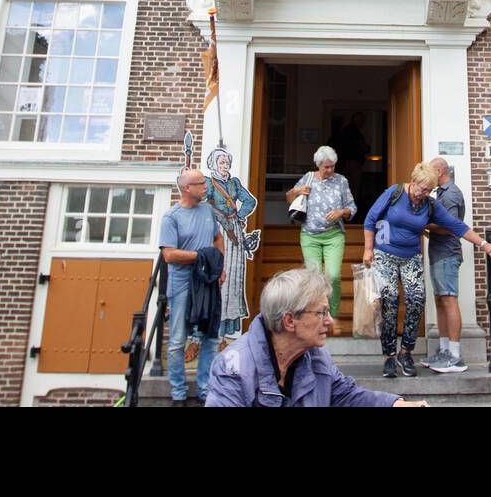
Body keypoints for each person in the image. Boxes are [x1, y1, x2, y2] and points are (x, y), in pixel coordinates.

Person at [206, 268, 427, 407]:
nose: (330, 321)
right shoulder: (234, 367)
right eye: (321, 313)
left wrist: (395, 404)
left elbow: (345, 396)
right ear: (290, 321)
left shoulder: (316, 357)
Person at [362, 161, 491, 378]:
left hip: (411, 258)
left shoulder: (430, 205)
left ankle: (405, 353)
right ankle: (388, 356)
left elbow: (457, 226)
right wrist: (368, 250)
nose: (423, 194)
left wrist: (483, 244)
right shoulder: (394, 193)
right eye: (421, 189)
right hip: (384, 254)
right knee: (389, 300)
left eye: (428, 190)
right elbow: (370, 219)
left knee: (417, 300)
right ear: (413, 181)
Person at [159, 168, 225, 406]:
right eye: (201, 183)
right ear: (188, 188)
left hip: (207, 283)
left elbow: (218, 238)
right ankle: (178, 392)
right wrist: (201, 257)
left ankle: (205, 389)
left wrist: (220, 266)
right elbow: (169, 255)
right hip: (182, 284)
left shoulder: (208, 210)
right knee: (177, 340)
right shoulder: (172, 217)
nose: (206, 186)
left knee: (210, 337)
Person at [286, 145, 356, 328]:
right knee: (314, 279)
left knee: (332, 276)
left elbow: (352, 207)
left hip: (334, 236)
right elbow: (288, 198)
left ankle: (333, 315)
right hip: (310, 236)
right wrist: (297, 192)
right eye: (326, 167)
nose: (330, 170)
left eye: (332, 166)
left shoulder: (341, 181)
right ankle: (317, 316)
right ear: (318, 165)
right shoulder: (308, 178)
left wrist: (341, 212)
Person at [204, 147, 259, 337]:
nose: (225, 166)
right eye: (221, 162)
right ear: (214, 164)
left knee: (234, 274)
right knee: (220, 272)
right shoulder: (209, 183)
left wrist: (239, 215)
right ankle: (214, 323)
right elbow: (203, 203)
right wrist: (217, 216)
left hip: (233, 229)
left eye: (227, 163)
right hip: (217, 230)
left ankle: (228, 326)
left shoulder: (234, 183)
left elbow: (250, 201)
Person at [421, 156, 467, 373]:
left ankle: (455, 356)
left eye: (430, 171)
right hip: (438, 253)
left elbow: (450, 228)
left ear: (439, 171)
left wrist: (422, 224)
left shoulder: (451, 194)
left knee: (449, 299)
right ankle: (444, 350)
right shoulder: (440, 193)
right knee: (440, 301)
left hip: (447, 254)